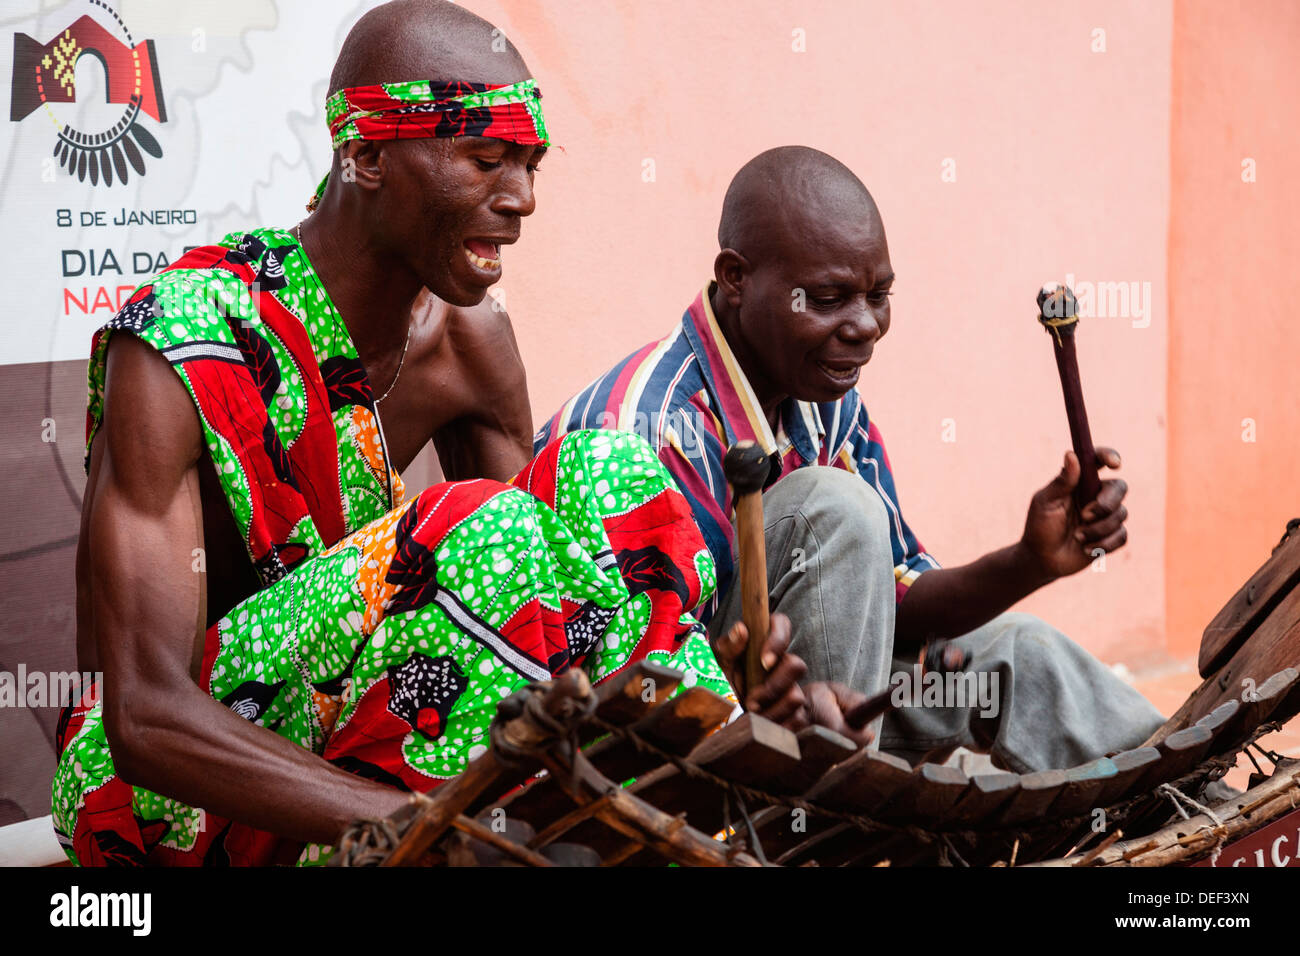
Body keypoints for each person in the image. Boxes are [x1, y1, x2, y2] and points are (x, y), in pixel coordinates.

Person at [54, 0, 822, 867]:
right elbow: (144, 716)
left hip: (375, 746)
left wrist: (699, 678)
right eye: (486, 159)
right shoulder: (183, 340)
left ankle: (707, 745)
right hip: (161, 795)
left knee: (603, 471)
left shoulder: (471, 342)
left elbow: (553, 614)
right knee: (473, 524)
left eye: (530, 165)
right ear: (366, 154)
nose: (522, 199)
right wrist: (424, 830)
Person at [537, 145, 1167, 774]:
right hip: (680, 751)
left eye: (878, 294)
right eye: (831, 297)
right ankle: (828, 808)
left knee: (1017, 658)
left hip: (823, 705)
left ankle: (1199, 808)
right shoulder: (642, 432)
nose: (865, 325)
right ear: (736, 278)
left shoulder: (826, 399)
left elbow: (891, 598)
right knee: (831, 508)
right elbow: (634, 683)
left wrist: (1029, 561)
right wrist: (761, 698)